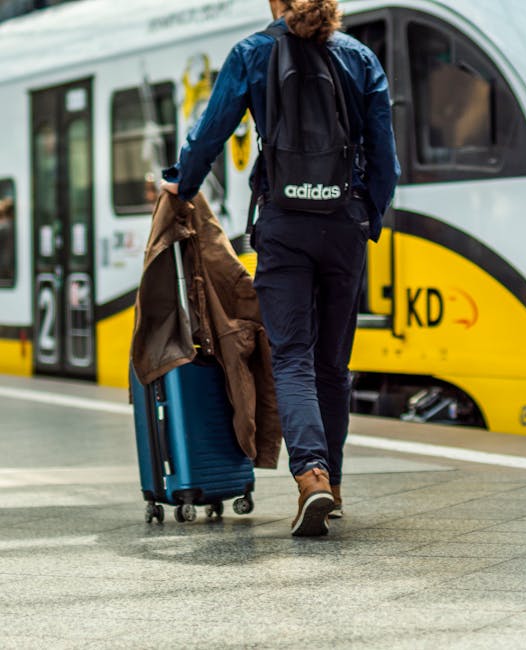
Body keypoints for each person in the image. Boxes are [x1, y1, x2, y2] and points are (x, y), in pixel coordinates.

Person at [162, 0, 400, 536]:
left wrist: (183, 183)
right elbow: (386, 158)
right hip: (343, 227)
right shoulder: (360, 58)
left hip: (285, 224)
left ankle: (310, 476)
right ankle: (332, 486)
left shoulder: (253, 52)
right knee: (333, 366)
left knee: (292, 356)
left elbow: (211, 131)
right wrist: (366, 216)